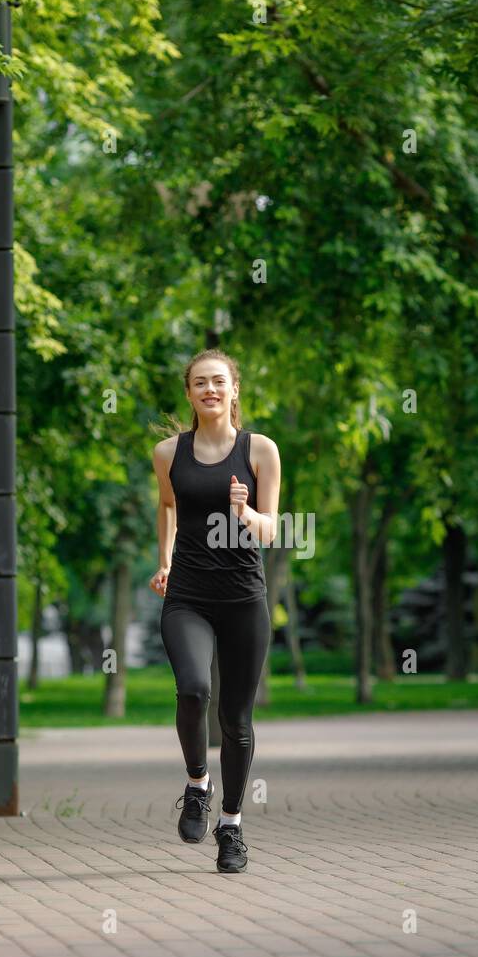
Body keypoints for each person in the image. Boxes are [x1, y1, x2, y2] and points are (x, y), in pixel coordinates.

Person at [150, 349, 280, 873]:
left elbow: (272, 528)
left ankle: (231, 826)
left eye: (218, 382)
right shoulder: (168, 453)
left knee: (236, 720)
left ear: (233, 389)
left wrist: (245, 512)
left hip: (244, 600)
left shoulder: (260, 450)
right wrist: (163, 559)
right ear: (189, 393)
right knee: (194, 689)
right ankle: (198, 784)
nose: (210, 390)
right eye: (200, 383)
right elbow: (166, 506)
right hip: (188, 597)